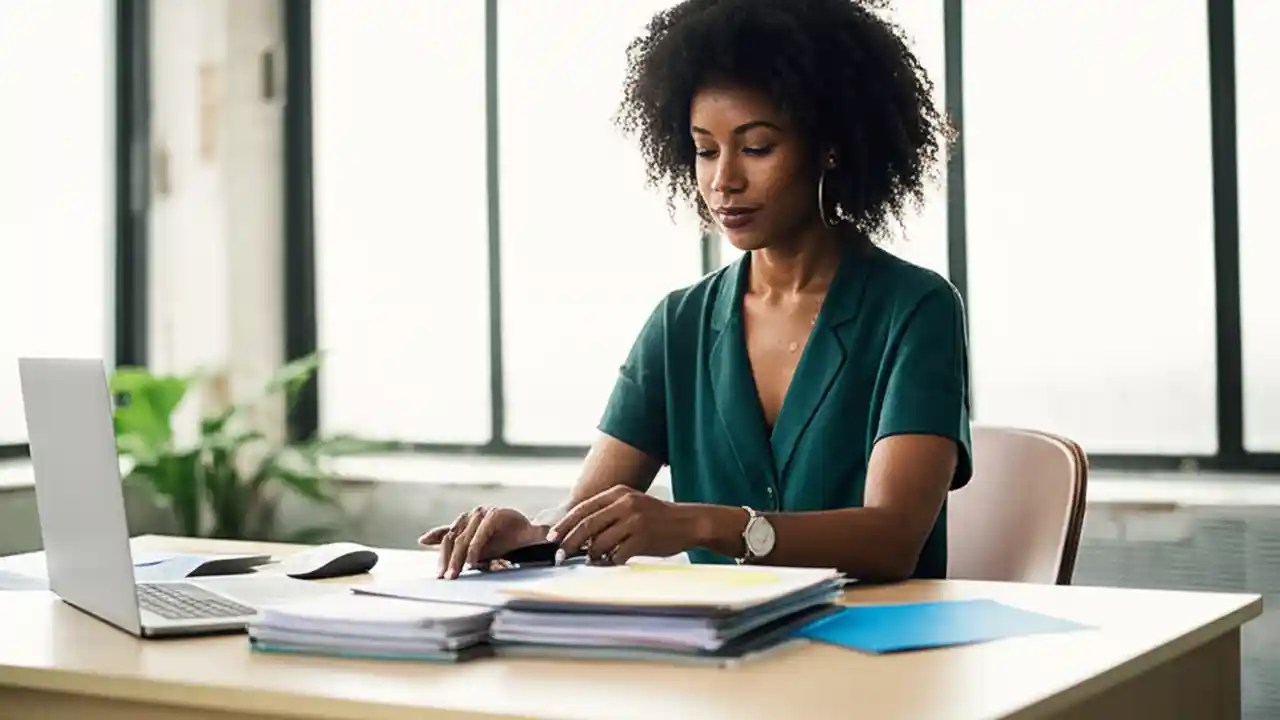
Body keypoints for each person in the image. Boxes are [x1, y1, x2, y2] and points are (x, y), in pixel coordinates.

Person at [420, 0, 971, 582]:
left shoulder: (915, 309)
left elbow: (891, 540)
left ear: (830, 145)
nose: (723, 180)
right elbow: (584, 516)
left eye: (756, 148)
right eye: (705, 150)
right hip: (718, 658)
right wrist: (530, 536)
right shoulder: (679, 323)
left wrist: (701, 525)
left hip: (880, 658)